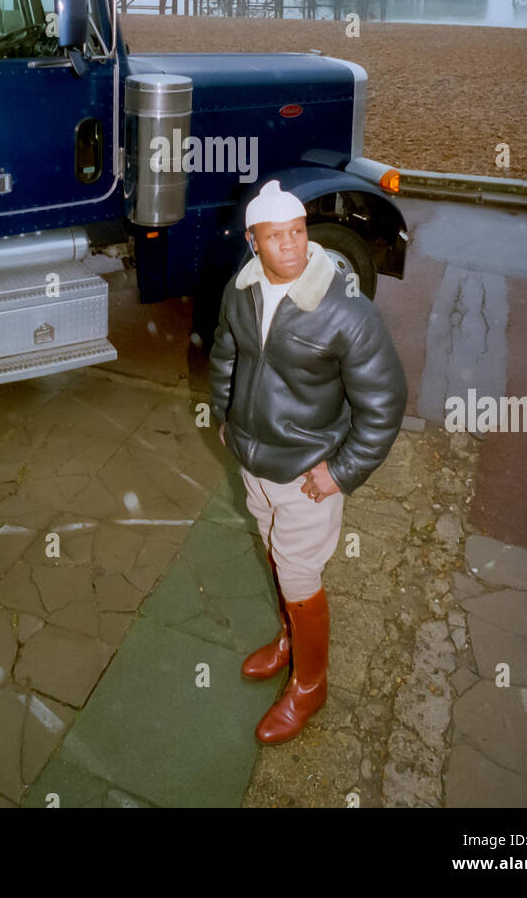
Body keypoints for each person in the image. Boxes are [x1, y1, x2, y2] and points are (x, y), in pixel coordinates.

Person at [209, 179, 408, 744]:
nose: (293, 246)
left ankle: (310, 684)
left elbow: (385, 404)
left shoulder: (347, 312)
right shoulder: (240, 291)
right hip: (254, 461)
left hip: (308, 473)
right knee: (275, 553)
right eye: (277, 236)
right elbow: (226, 352)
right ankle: (290, 640)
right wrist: (225, 418)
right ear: (254, 242)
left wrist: (341, 472)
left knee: (299, 574)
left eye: (298, 232)